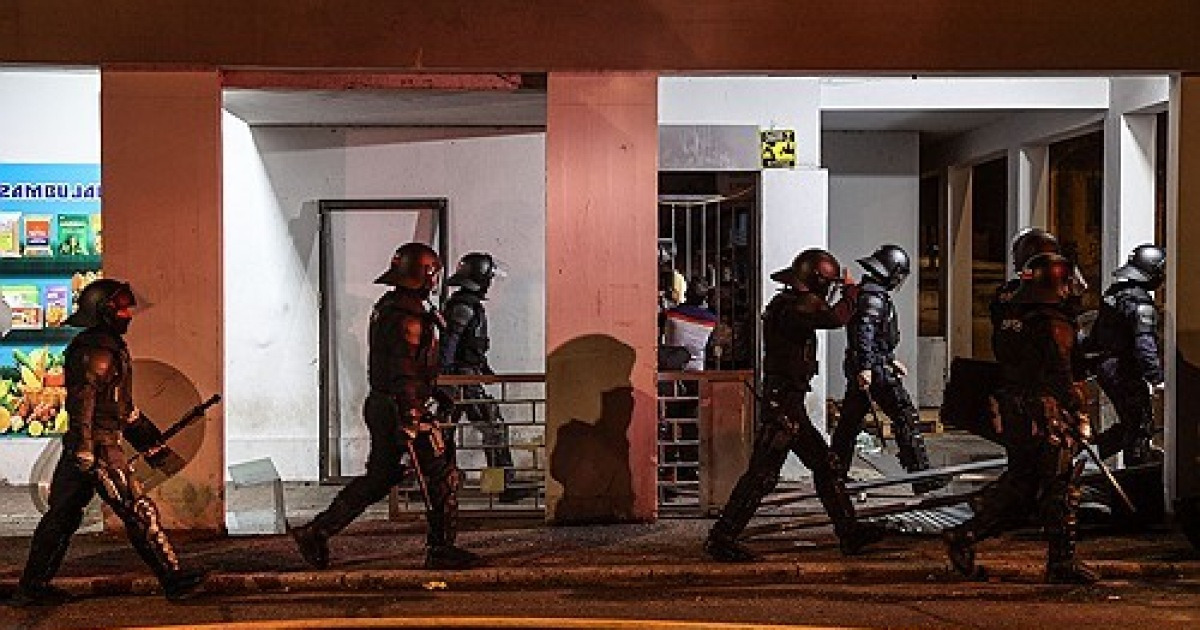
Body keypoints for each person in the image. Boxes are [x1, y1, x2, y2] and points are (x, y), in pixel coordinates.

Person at [291, 243, 483, 570]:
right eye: (432, 274)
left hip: (387, 406)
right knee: (441, 475)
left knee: (380, 478)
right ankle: (440, 548)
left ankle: (318, 530)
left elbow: (412, 367)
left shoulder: (393, 307)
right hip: (401, 409)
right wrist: (413, 416)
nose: (435, 281)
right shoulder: (408, 317)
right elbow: (403, 370)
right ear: (424, 274)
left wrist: (434, 393)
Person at [14, 279, 206, 605]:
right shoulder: (96, 352)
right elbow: (83, 404)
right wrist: (87, 449)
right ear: (104, 312)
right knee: (138, 510)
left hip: (91, 446)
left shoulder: (109, 347)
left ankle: (32, 587)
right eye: (122, 307)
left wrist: (151, 443)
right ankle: (174, 580)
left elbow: (124, 409)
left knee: (62, 517)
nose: (129, 313)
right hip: (99, 448)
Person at [704, 249, 888, 562]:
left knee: (824, 466)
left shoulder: (786, 305)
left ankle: (850, 533)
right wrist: (852, 291)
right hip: (784, 406)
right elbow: (834, 318)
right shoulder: (795, 307)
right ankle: (722, 537)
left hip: (788, 403)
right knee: (763, 475)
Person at [944, 253, 1099, 584]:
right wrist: (1077, 408)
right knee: (1061, 485)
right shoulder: (1053, 323)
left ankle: (966, 535)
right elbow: (1061, 371)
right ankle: (1061, 561)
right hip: (1047, 414)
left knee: (1021, 484)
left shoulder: (1012, 316)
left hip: (1017, 409)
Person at [831, 245, 943, 494]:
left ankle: (834, 476)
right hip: (876, 371)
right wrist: (868, 367)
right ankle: (921, 475)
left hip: (875, 366)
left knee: (849, 425)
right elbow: (865, 334)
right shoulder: (873, 296)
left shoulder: (871, 293)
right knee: (905, 416)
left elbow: (875, 337)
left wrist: (890, 359)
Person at [440, 252, 530, 503]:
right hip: (461, 381)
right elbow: (450, 345)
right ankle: (503, 486)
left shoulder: (466, 304)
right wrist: (448, 380)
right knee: (493, 428)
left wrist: (485, 372)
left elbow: (471, 348)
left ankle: (440, 484)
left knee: (446, 432)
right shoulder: (464, 307)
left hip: (463, 379)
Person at [1084, 244, 1167, 464]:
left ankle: (1091, 454)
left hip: (1107, 366)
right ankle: (1134, 476)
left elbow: (1095, 336)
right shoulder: (1140, 304)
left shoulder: (1114, 295)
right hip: (1123, 369)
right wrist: (1156, 378)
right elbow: (1144, 343)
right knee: (1138, 425)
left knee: (1132, 422)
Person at [662, 276, 718, 371]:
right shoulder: (711, 320)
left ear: (686, 293)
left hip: (671, 366)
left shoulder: (672, 314)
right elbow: (712, 346)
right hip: (697, 368)